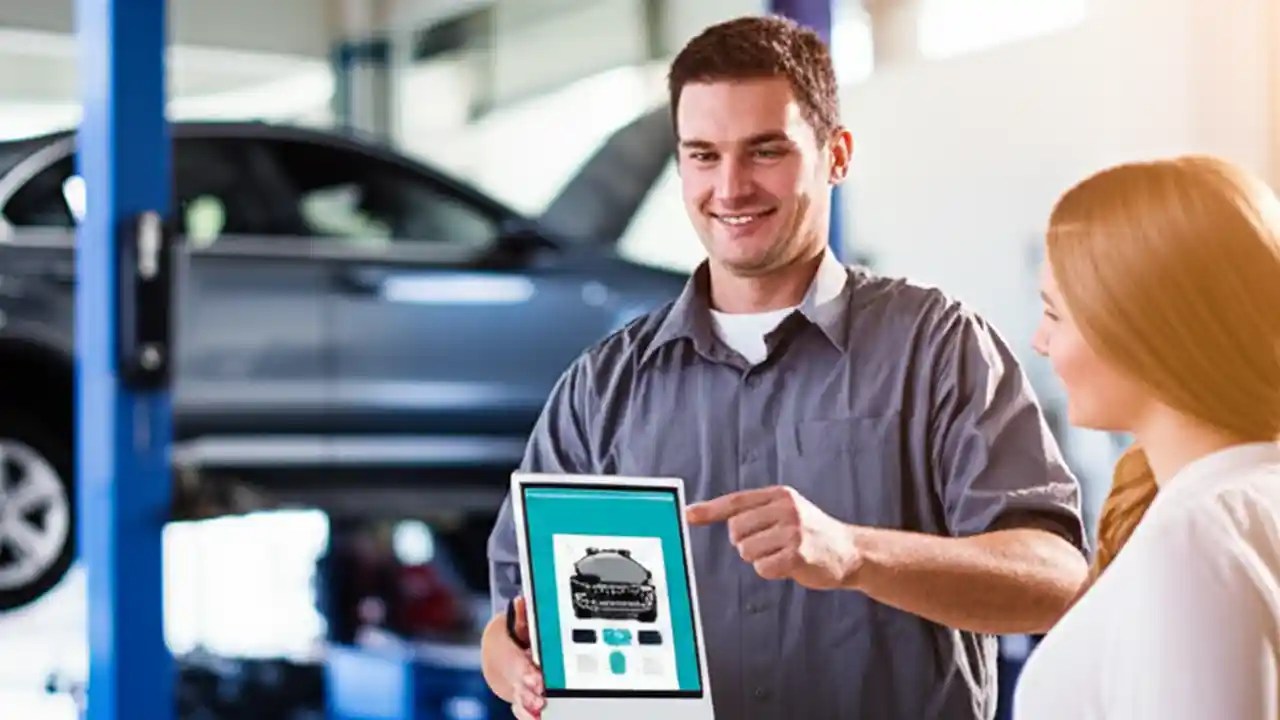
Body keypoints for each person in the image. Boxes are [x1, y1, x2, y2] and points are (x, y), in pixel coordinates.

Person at [483, 15, 1090, 720]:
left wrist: (856, 554)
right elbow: (509, 619)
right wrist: (515, 667)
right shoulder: (602, 388)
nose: (730, 187)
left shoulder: (938, 348)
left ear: (836, 155)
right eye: (703, 156)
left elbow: (1055, 578)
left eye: (764, 151)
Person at [1013, 156, 1280, 718]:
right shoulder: (1244, 499)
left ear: (1133, 325)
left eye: (1054, 315)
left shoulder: (1198, 534)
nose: (1039, 341)